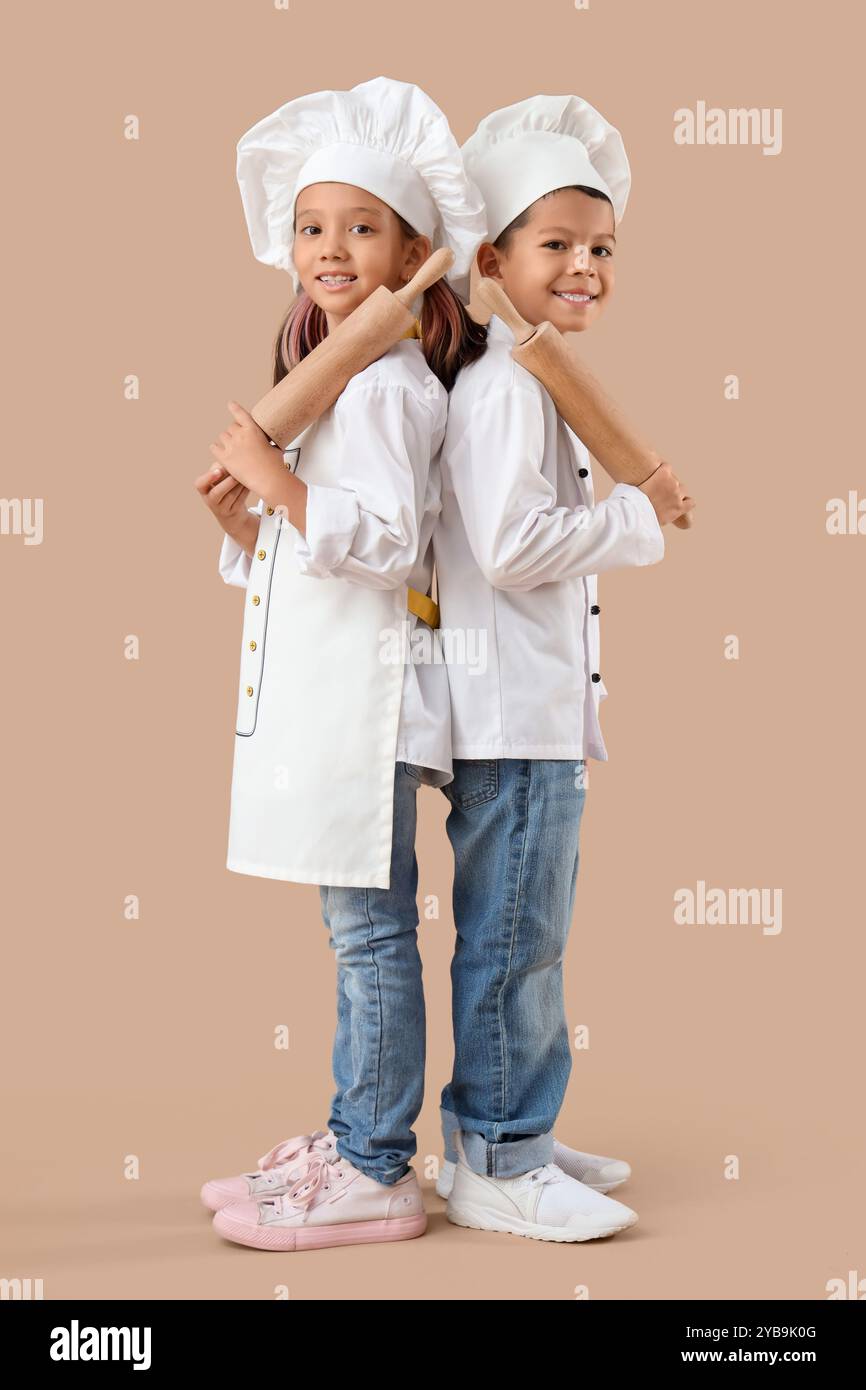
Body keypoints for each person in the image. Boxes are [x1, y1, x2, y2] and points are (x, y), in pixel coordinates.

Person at [193, 76, 486, 1253]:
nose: (328, 247)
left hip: (367, 700)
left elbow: (380, 541)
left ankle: (371, 1163)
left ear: (413, 249)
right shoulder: (341, 375)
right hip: (328, 691)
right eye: (311, 225)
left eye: (360, 226)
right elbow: (307, 547)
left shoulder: (390, 384)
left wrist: (277, 486)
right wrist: (248, 524)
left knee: (368, 935)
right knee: (352, 931)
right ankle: (352, 1134)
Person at [432, 93, 695, 1242]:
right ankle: (498, 1154)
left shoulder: (534, 381)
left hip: (532, 713)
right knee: (513, 941)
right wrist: (638, 520)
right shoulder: (503, 391)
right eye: (556, 246)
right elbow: (512, 546)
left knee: (526, 934)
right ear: (490, 259)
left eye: (601, 249)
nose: (585, 266)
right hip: (509, 717)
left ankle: (511, 1131)